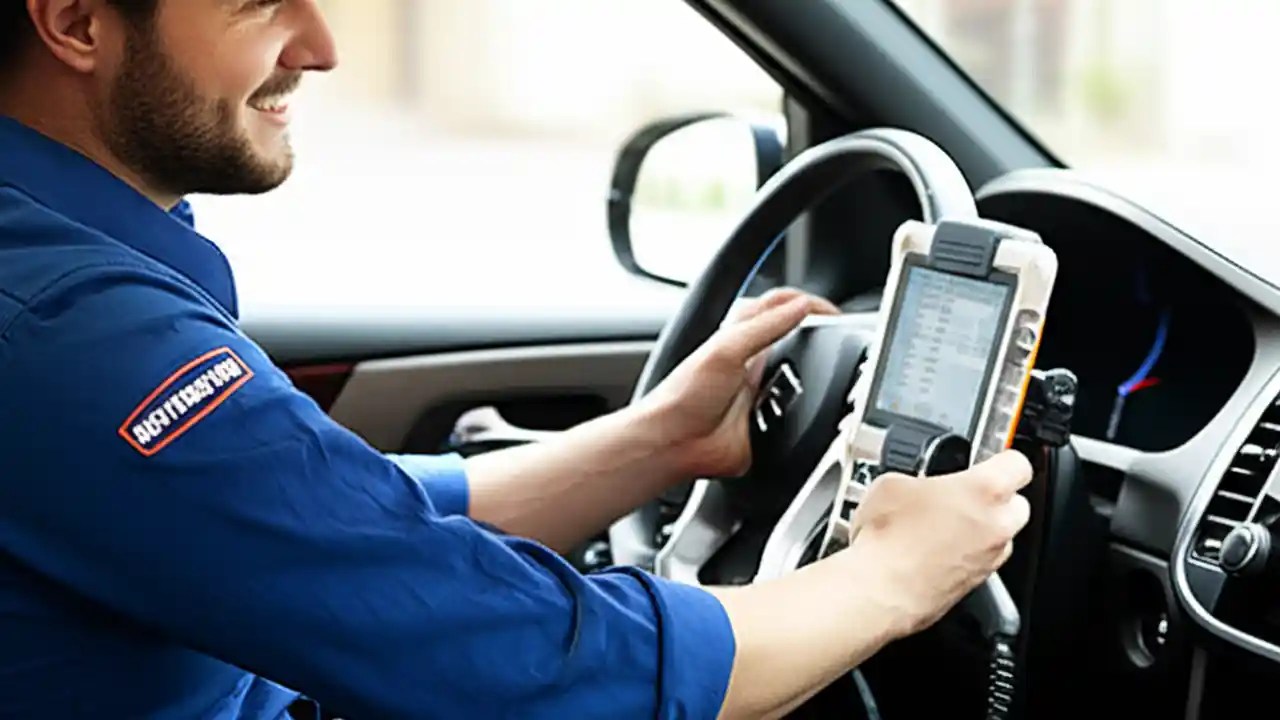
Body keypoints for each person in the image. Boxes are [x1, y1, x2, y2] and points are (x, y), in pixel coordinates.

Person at [0, 1, 1033, 718]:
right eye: (261, 3)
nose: (319, 46)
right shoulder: (71, 332)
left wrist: (655, 442)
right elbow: (529, 669)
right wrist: (894, 576)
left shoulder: (57, 268)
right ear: (77, 23)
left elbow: (300, 516)